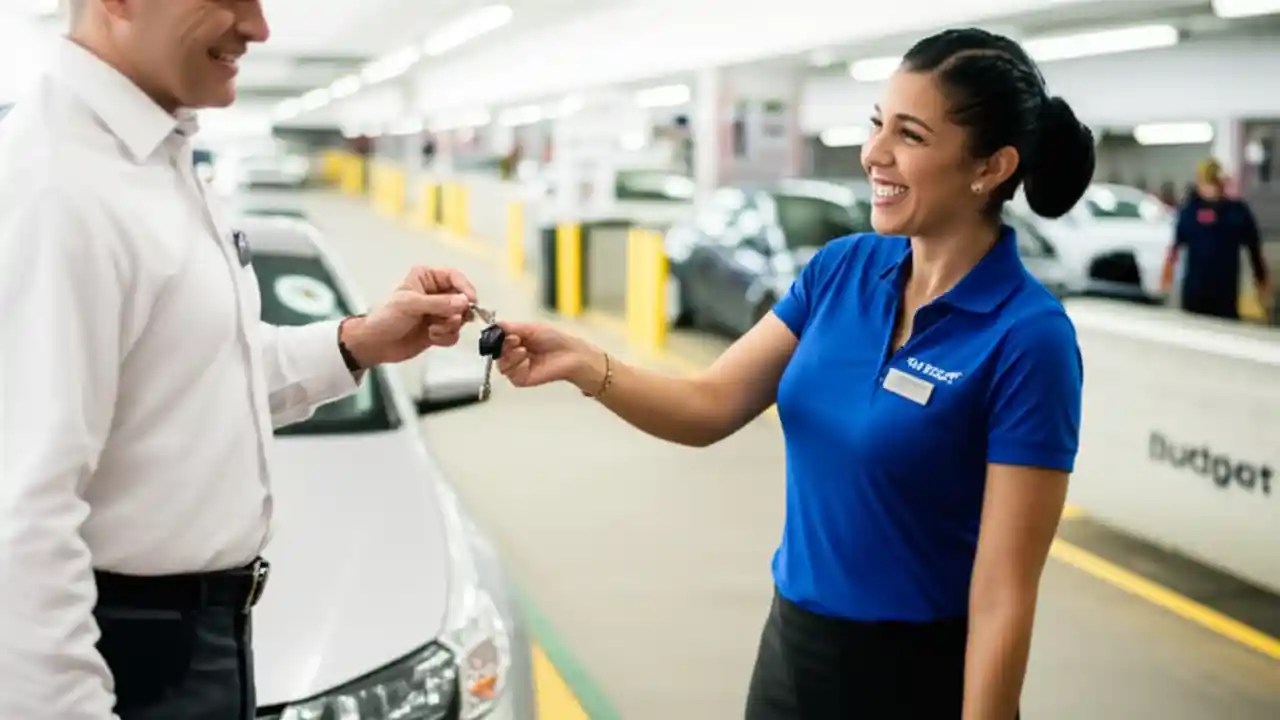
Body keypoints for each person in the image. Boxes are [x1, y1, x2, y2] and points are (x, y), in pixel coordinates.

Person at [495, 27, 1094, 718]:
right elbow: (708, 402)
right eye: (877, 125)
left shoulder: (1028, 338)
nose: (874, 154)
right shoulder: (841, 270)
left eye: (910, 135)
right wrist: (582, 362)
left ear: (990, 166)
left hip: (914, 681)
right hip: (791, 658)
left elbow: (1003, 596)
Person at [0, 1, 478, 719]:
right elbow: (18, 517)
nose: (257, 28)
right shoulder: (58, 186)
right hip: (128, 654)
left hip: (195, 635)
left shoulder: (154, 162)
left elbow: (192, 377)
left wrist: (356, 341)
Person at [1161, 158, 1271, 321]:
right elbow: (1175, 248)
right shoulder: (1189, 211)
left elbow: (1254, 249)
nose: (1210, 188)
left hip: (1225, 293)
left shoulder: (1236, 212)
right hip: (1195, 293)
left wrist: (1262, 281)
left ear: (1221, 183)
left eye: (1213, 182)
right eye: (1207, 182)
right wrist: (1167, 275)